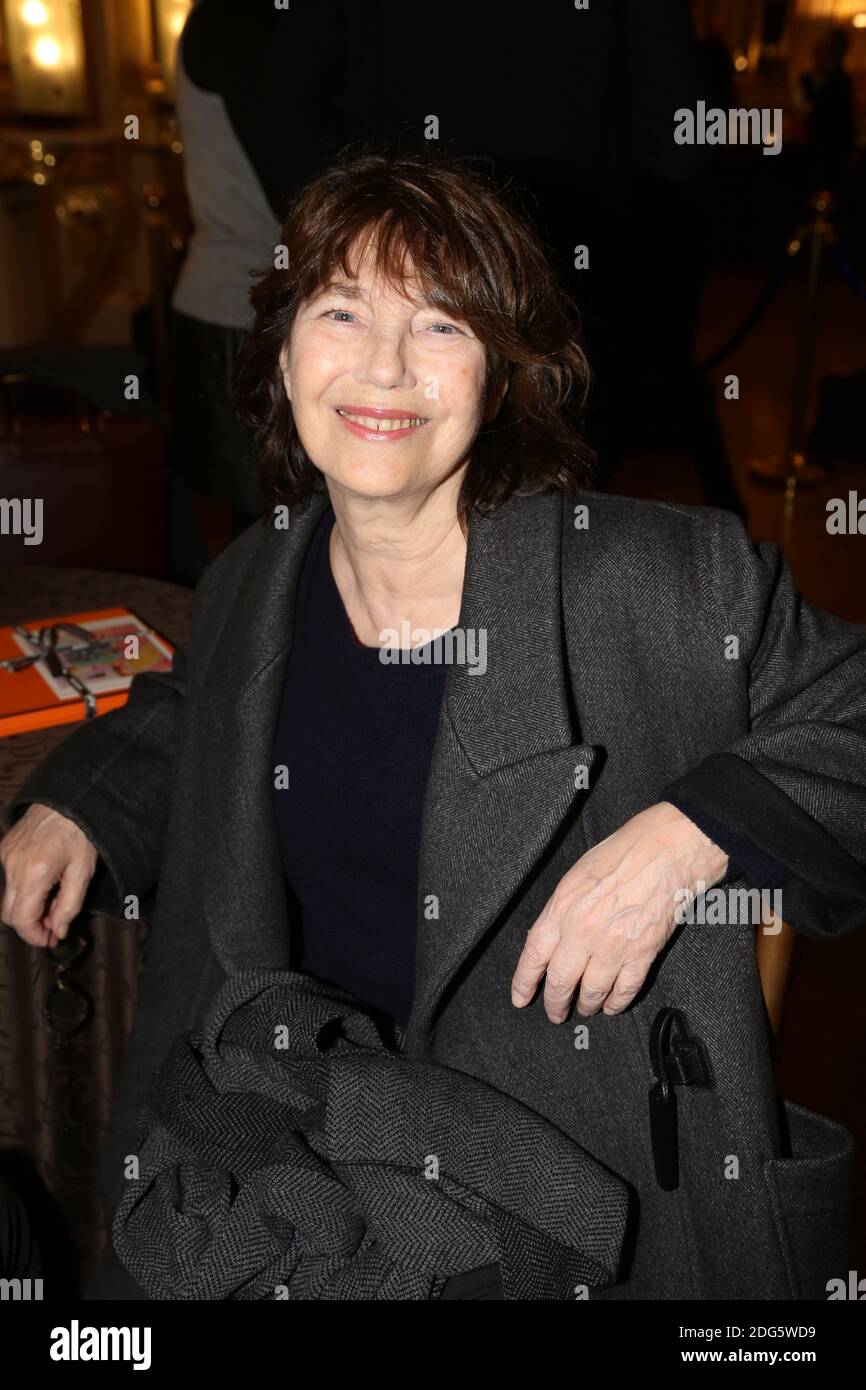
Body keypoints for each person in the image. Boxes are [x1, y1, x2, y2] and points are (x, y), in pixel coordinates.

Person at [1, 149, 865, 1300]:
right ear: (283, 348)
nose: (383, 368)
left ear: (502, 377)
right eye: (342, 309)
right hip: (299, 1144)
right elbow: (200, 698)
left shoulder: (656, 585)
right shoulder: (258, 575)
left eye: (443, 326)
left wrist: (689, 832)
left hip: (567, 1196)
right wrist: (87, 796)